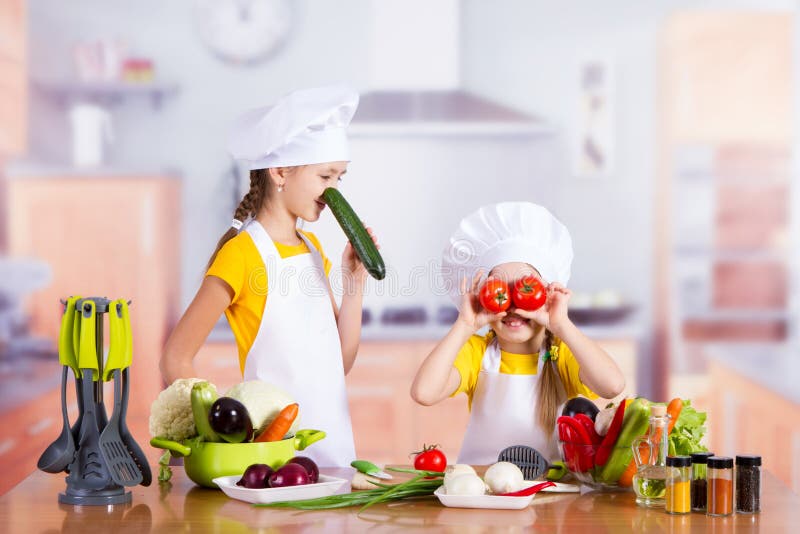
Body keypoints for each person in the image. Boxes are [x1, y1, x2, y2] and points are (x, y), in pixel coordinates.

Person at [160, 85, 377, 467]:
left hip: (335, 458)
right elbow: (176, 357)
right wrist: (222, 432)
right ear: (280, 172)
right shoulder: (241, 254)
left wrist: (353, 282)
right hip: (271, 462)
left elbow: (338, 363)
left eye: (339, 179)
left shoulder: (313, 249)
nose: (333, 192)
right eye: (325, 176)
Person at [410, 202, 625, 464]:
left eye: (527, 288)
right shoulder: (478, 353)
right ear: (482, 297)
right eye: (499, 289)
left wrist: (561, 324)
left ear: (548, 294)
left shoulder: (559, 354)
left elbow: (612, 386)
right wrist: (465, 324)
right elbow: (424, 393)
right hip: (483, 484)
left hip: (548, 487)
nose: (513, 305)